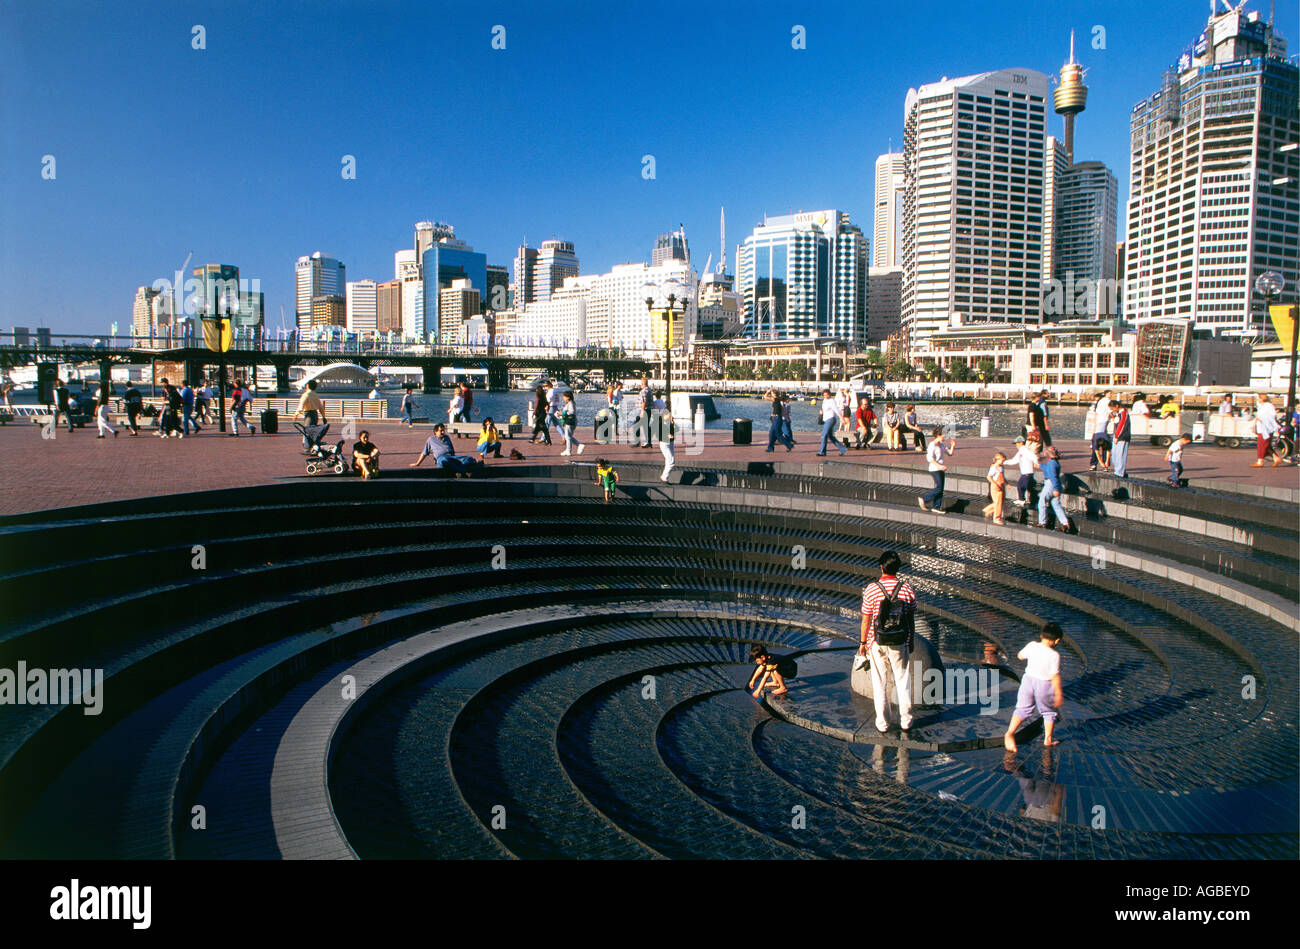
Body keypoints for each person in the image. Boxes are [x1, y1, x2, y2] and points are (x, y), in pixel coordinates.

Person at [858, 551, 916, 735]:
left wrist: (863, 642)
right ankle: (906, 721)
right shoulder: (906, 588)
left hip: (878, 641)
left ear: (881, 566)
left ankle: (883, 723)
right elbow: (911, 618)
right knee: (902, 680)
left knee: (880, 682)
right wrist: (911, 639)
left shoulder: (872, 589)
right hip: (900, 641)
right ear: (897, 568)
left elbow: (866, 620)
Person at [1003, 621, 1065, 751]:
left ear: (1042, 636)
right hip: (1044, 684)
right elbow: (1055, 676)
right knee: (1048, 711)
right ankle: (1048, 739)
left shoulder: (1032, 645)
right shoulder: (1054, 655)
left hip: (1028, 680)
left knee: (1022, 709)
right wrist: (1058, 693)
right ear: (1057, 640)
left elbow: (1020, 656)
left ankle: (1009, 733)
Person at [409, 422, 481, 475]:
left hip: (451, 456)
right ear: (435, 432)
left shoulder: (447, 437)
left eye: (444, 430)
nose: (443, 432)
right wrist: (417, 463)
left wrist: (455, 458)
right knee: (445, 462)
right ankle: (464, 471)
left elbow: (452, 449)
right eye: (441, 431)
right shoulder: (431, 439)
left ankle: (460, 469)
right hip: (441, 458)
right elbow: (424, 453)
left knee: (469, 458)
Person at [919, 426, 954, 513]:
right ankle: (924, 499)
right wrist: (940, 466)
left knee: (941, 489)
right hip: (934, 469)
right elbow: (930, 459)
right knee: (938, 488)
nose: (945, 437)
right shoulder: (932, 445)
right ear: (938, 435)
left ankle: (936, 507)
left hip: (940, 469)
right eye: (943, 435)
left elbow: (950, 453)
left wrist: (953, 446)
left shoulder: (941, 445)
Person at [1036, 446, 1070, 531]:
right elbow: (1047, 468)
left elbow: (1053, 476)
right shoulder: (1054, 462)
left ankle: (1042, 522)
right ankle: (1065, 523)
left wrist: (1055, 489)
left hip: (1050, 484)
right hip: (1056, 484)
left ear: (1047, 455)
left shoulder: (1051, 463)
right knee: (1056, 504)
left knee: (1042, 502)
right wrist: (1040, 465)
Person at [1005, 435, 1039, 511]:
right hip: (1025, 473)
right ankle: (1023, 499)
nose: (1016, 445)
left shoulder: (1025, 451)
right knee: (1022, 486)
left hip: (1027, 473)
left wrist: (1036, 462)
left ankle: (1022, 500)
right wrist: (1005, 462)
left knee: (1020, 486)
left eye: (1017, 443)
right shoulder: (1021, 451)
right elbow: (1014, 460)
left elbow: (1033, 456)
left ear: (1021, 443)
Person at [295, 379, 326, 448]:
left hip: (308, 414)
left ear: (308, 386)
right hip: (315, 414)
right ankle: (311, 445)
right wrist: (323, 416)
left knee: (307, 430)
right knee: (313, 431)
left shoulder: (306, 395)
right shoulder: (315, 395)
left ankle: (307, 446)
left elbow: (301, 405)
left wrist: (296, 414)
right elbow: (320, 407)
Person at [817, 388, 848, 456]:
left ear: (830, 394)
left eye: (826, 395)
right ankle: (843, 449)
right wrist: (821, 413)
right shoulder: (825, 400)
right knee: (830, 436)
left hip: (830, 419)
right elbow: (824, 409)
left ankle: (822, 452)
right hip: (826, 419)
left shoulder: (832, 401)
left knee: (824, 435)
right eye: (824, 395)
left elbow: (836, 410)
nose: (825, 396)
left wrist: (842, 418)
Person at [1252, 394, 1280, 468]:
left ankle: (1260, 461)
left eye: (1259, 398)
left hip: (1266, 428)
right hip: (1262, 427)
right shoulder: (1261, 406)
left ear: (1262, 399)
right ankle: (1276, 458)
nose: (1257, 399)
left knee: (1261, 444)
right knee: (1265, 444)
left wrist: (1262, 419)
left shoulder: (1268, 406)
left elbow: (1272, 415)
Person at [764, 388, 794, 452]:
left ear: (774, 394)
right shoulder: (777, 399)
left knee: (778, 434)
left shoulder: (775, 399)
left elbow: (765, 397)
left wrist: (768, 391)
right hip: (776, 418)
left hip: (777, 418)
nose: (770, 395)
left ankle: (789, 445)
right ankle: (770, 448)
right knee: (771, 433)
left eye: (771, 393)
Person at [558, 390, 585, 457]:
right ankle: (578, 445)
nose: (563, 398)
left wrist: (563, 413)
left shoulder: (571, 403)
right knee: (568, 436)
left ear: (568, 397)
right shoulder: (570, 403)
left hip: (570, 421)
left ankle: (569, 450)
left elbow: (571, 412)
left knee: (568, 436)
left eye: (564, 397)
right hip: (570, 421)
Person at [983, 451, 1006, 525]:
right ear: (997, 460)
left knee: (1000, 501)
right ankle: (996, 518)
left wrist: (1007, 483)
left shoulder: (1001, 467)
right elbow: (989, 477)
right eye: (1002, 461)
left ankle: (988, 510)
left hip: (1001, 485)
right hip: (995, 486)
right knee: (998, 503)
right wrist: (994, 483)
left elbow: (1002, 477)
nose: (1003, 462)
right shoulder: (994, 467)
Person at [1110, 403, 1132, 478]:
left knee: (1120, 455)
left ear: (1117, 406)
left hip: (1122, 437)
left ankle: (1119, 472)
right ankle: (1118, 471)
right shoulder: (1118, 414)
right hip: (1117, 436)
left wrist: (1117, 436)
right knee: (1114, 454)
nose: (1112, 410)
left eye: (1112, 408)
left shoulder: (1124, 413)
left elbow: (1122, 425)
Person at [658, 405, 675, 482]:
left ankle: (665, 477)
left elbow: (673, 432)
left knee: (668, 460)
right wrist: (667, 435)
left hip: (670, 443)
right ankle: (664, 477)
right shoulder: (660, 423)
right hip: (664, 443)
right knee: (671, 461)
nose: (670, 416)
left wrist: (672, 423)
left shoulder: (669, 422)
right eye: (668, 414)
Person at [637, 377, 653, 448]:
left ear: (643, 383)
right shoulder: (649, 390)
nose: (640, 385)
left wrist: (642, 411)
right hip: (649, 410)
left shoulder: (643, 391)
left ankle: (638, 441)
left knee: (637, 424)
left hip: (645, 410)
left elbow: (644, 402)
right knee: (646, 426)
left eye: (641, 383)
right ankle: (648, 442)